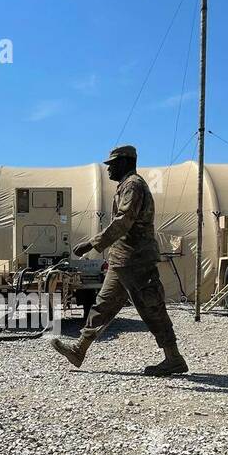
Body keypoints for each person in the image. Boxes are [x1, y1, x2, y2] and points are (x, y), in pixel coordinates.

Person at [51, 144, 187, 376]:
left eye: (112, 164)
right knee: (102, 305)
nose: (108, 170)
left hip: (137, 260)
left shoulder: (133, 185)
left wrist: (92, 244)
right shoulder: (126, 186)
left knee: (152, 308)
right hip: (122, 260)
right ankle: (79, 350)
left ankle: (173, 359)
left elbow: (124, 220)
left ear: (125, 162)